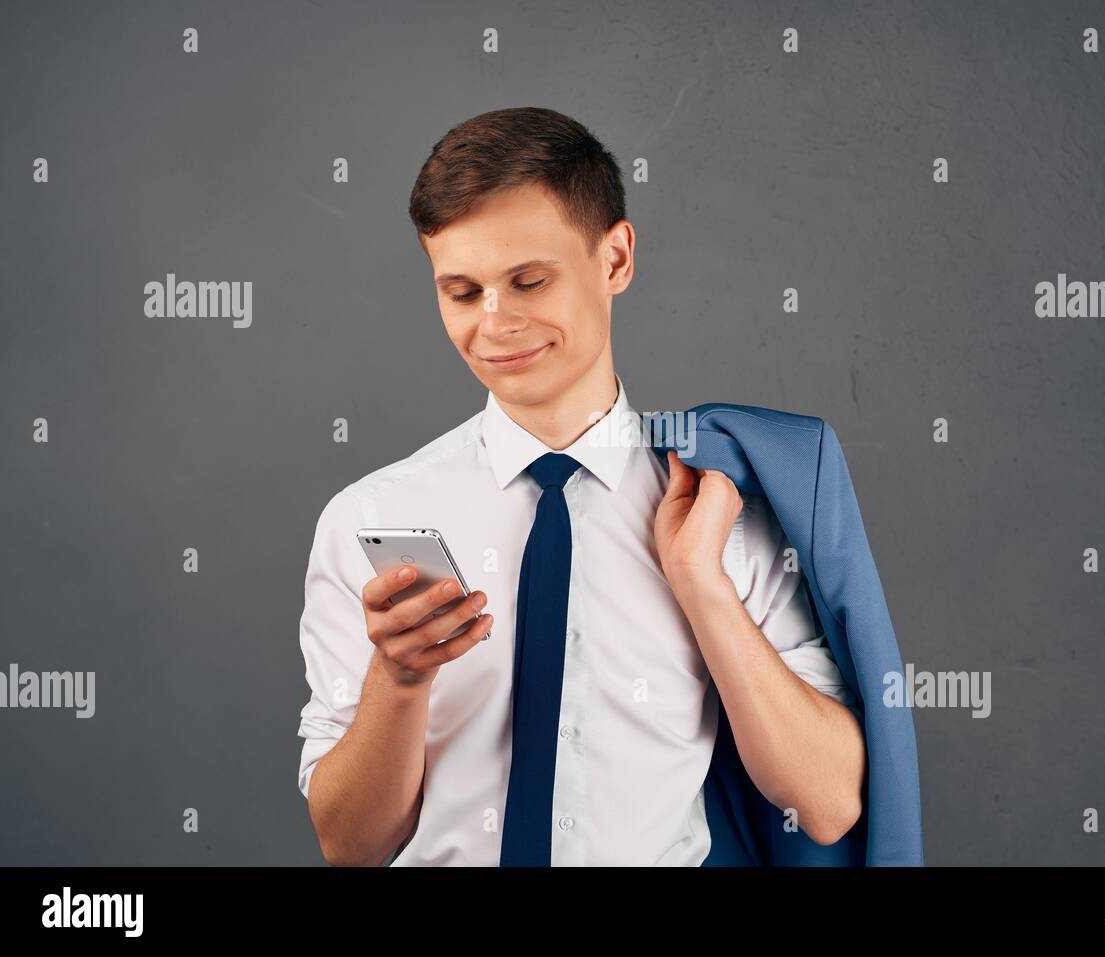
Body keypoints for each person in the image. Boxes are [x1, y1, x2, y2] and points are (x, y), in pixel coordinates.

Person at [295, 106, 866, 866]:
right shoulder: (370, 518)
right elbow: (348, 844)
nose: (493, 322)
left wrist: (702, 585)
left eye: (527, 280)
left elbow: (828, 805)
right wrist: (398, 681)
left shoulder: (721, 507)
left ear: (616, 259)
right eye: (461, 292)